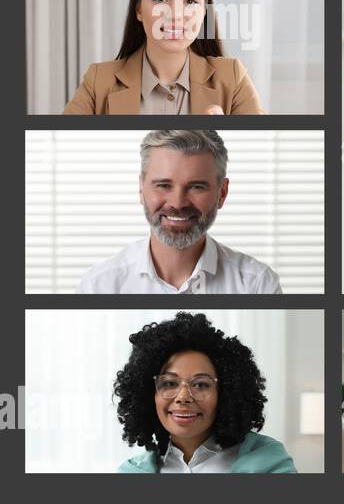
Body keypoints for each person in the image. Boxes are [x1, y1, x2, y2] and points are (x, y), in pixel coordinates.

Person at [76, 130, 282, 294]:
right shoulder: (98, 286)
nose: (178, 203)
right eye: (164, 185)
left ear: (222, 193)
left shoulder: (257, 285)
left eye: (196, 187)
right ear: (141, 188)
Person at [63, 0, 264, 114]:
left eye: (190, 1)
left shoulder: (233, 77)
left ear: (204, 12)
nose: (175, 14)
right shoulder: (99, 80)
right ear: (139, 9)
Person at [114, 312, 296, 473]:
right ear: (149, 394)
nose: (183, 397)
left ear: (224, 393)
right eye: (169, 383)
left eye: (201, 385)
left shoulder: (269, 463)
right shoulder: (133, 470)